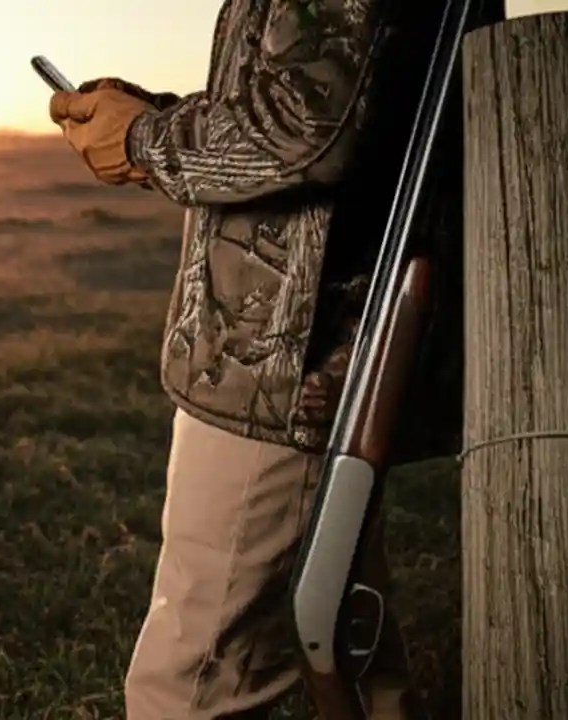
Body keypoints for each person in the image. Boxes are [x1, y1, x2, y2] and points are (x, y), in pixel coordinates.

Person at [49, 0, 470, 717]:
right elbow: (334, 96)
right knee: (350, 644)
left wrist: (145, 138)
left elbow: (312, 126)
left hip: (290, 357)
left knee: (192, 683)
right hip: (298, 348)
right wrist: (155, 120)